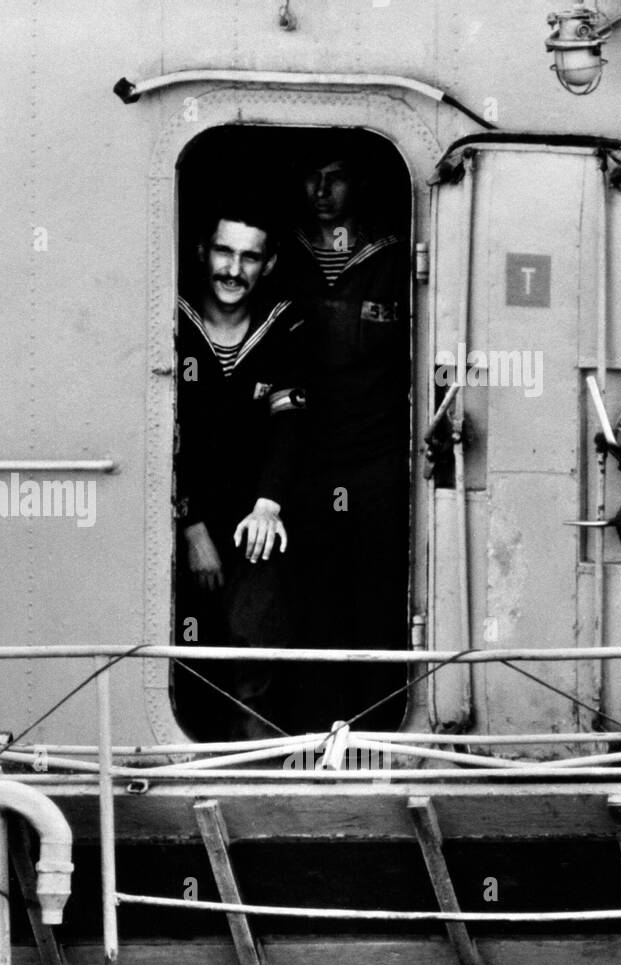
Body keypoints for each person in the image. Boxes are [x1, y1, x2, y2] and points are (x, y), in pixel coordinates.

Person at [285, 134, 411, 732]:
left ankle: (379, 731)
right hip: (303, 458)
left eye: (334, 177)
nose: (322, 191)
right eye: (311, 177)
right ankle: (314, 732)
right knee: (311, 601)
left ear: (358, 183)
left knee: (377, 599)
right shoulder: (285, 256)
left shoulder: (393, 255)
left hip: (378, 458)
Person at [174, 199, 308, 740]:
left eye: (249, 257)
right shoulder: (169, 316)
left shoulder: (285, 325)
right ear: (203, 252)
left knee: (255, 636)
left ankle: (256, 762)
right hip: (175, 510)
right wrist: (190, 525)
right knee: (186, 644)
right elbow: (159, 432)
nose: (233, 269)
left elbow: (291, 422)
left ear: (268, 265)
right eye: (224, 252)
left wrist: (267, 504)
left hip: (251, 510)